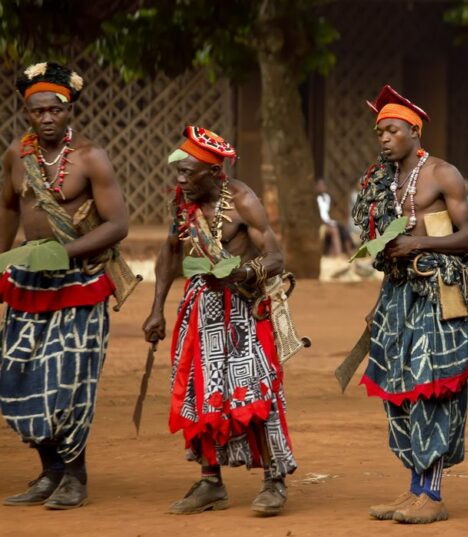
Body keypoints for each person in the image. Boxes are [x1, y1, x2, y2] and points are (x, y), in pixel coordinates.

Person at [142, 126, 297, 516]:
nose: (180, 180)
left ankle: (273, 480)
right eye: (178, 172)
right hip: (200, 309)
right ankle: (211, 482)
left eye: (188, 172)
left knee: (255, 391)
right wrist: (156, 307)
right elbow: (170, 253)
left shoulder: (244, 201)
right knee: (198, 391)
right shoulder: (182, 203)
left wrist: (242, 275)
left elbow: (276, 258)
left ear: (213, 173)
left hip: (243, 310)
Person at [0, 62, 130, 509]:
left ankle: (75, 475)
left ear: (69, 108)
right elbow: (9, 210)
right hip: (29, 282)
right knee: (19, 375)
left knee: (68, 380)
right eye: (38, 112)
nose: (47, 118)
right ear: (27, 114)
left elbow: (118, 224)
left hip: (81, 281)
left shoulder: (90, 157)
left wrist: (65, 254)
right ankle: (48, 472)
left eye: (55, 109)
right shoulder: (16, 155)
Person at [352, 84, 468, 524]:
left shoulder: (443, 173)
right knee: (399, 389)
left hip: (438, 293)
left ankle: (434, 494)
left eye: (392, 131)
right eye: (379, 132)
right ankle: (414, 490)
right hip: (398, 294)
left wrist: (418, 243)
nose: (384, 139)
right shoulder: (382, 183)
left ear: (414, 131)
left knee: (433, 386)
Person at [316, 177, 354, 257]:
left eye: (323, 185)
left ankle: (349, 250)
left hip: (327, 221)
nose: (321, 187)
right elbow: (319, 215)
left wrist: (329, 221)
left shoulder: (327, 197)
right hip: (320, 223)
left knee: (343, 228)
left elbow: (326, 213)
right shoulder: (315, 199)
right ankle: (338, 254)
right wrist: (326, 222)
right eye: (319, 185)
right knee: (334, 230)